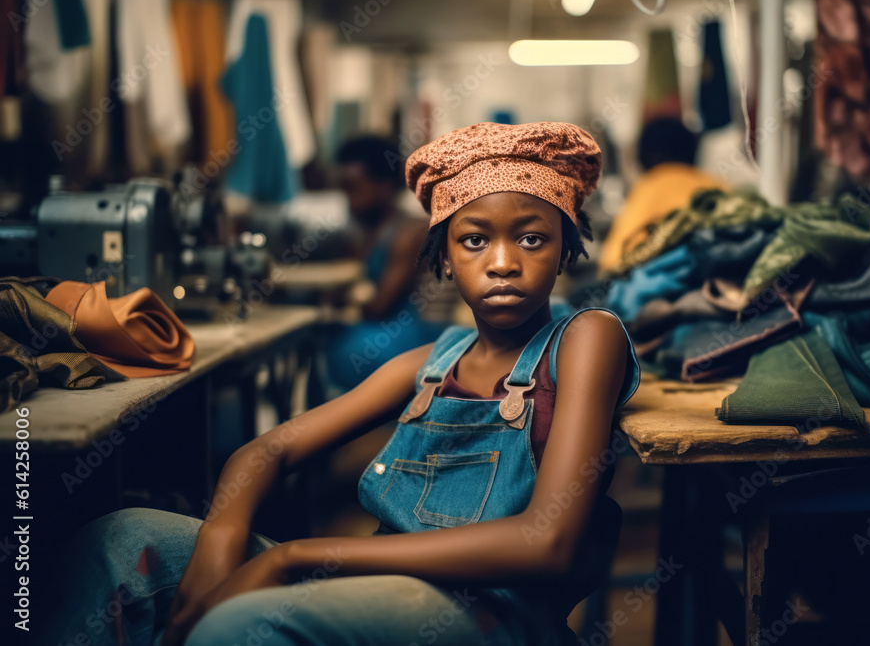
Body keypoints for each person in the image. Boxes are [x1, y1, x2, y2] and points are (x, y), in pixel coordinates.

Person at [42, 122, 642, 646]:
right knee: (120, 543)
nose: (504, 261)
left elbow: (548, 539)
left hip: (489, 612)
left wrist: (297, 557)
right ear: (443, 257)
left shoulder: (586, 338)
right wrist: (222, 538)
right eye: (474, 239)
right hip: (384, 583)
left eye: (532, 238)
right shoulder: (429, 365)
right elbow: (267, 450)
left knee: (244, 625)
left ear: (567, 246)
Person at [324, 135, 446, 393]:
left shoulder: (409, 232)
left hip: (410, 332)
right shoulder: (370, 231)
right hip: (386, 326)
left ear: (385, 186)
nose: (348, 200)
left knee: (342, 349)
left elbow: (380, 306)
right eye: (344, 190)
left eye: (354, 188)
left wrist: (342, 299)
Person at [598, 117, 727, 274]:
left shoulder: (651, 184)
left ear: (645, 157)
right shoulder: (719, 184)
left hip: (660, 282)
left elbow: (612, 260)